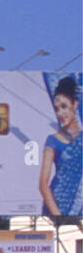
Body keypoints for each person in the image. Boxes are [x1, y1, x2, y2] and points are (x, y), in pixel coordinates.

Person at [40, 75, 82, 216]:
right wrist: (59, 218)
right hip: (56, 208)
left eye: (64, 106)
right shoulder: (53, 140)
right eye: (57, 109)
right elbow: (43, 184)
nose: (60, 113)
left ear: (75, 105)